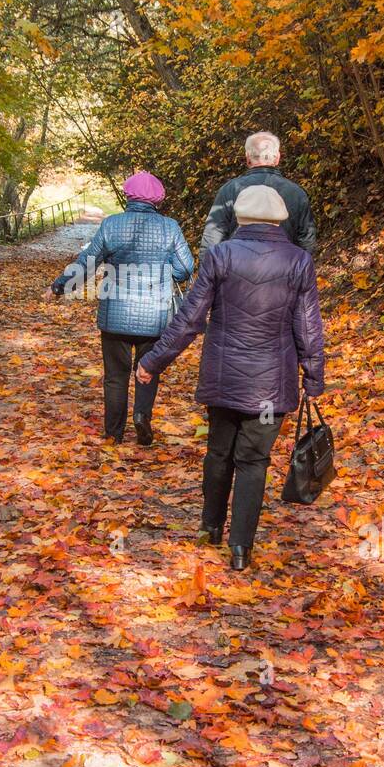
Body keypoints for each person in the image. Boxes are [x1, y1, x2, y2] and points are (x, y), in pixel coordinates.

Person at [136, 185, 325, 570]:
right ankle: (241, 549)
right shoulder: (298, 261)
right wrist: (314, 376)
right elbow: (308, 326)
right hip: (272, 388)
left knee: (219, 453)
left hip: (223, 380)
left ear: (239, 218)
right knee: (254, 461)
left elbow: (190, 318)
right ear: (279, 219)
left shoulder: (220, 256)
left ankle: (210, 526)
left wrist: (154, 360)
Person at [45, 172, 194, 446]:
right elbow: (185, 268)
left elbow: (87, 262)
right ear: (157, 199)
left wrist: (59, 287)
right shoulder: (170, 227)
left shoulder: (111, 225)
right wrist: (164, 270)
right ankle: (141, 416)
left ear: (128, 195)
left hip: (116, 316)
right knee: (147, 370)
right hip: (155, 316)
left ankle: (114, 433)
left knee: (115, 376)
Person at [199, 130, 317, 261]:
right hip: (284, 270)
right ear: (277, 158)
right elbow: (307, 241)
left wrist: (211, 273)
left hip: (237, 271)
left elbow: (212, 237)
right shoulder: (296, 193)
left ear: (247, 158)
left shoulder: (229, 191)